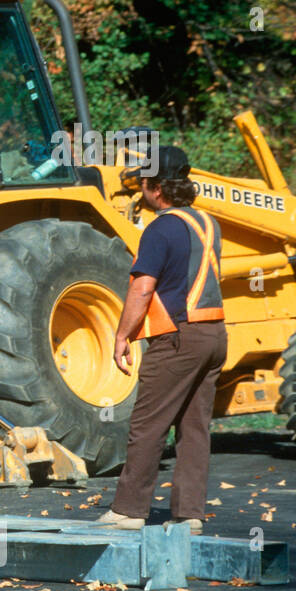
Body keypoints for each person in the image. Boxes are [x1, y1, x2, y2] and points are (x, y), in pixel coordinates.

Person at [99, 145, 226, 533]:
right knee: (194, 427)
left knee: (148, 424)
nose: (141, 193)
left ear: (156, 187)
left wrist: (123, 336)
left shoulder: (160, 228)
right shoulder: (207, 223)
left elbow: (141, 288)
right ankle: (189, 515)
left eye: (144, 185)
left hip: (178, 338)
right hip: (215, 333)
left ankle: (128, 510)